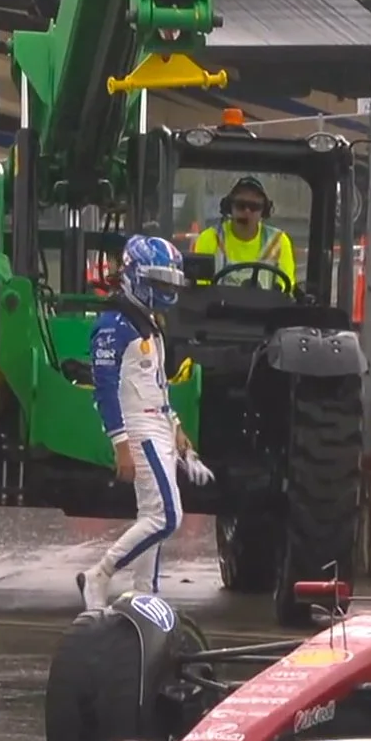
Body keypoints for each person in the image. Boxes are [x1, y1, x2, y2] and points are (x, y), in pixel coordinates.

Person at [76, 234, 211, 610]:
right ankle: (99, 575)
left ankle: (143, 595)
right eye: (158, 282)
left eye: (169, 283)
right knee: (168, 516)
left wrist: (179, 432)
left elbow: (158, 388)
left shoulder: (148, 324)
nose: (165, 291)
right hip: (138, 429)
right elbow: (103, 389)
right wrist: (120, 443)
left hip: (158, 427)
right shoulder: (114, 326)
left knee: (152, 516)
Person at [189, 176, 296, 292]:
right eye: (241, 205)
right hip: (219, 309)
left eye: (254, 207)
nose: (247, 212)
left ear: (263, 211)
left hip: (267, 310)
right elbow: (200, 290)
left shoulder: (279, 242)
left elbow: (286, 290)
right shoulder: (210, 238)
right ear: (230, 207)